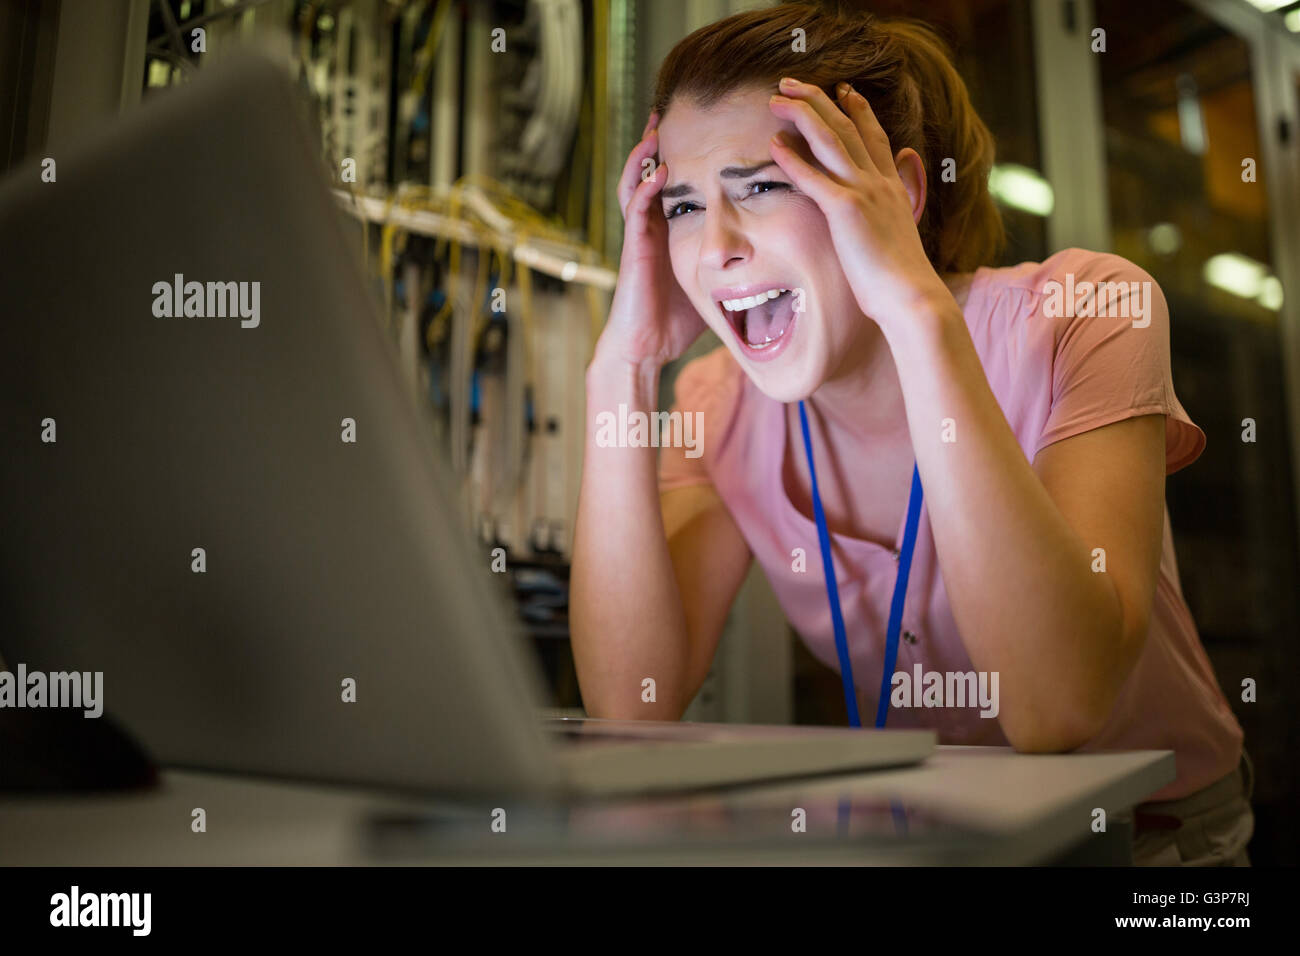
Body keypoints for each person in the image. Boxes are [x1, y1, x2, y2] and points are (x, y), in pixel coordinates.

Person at [569, 2, 1251, 866]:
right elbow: (635, 705)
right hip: (936, 836)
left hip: (1153, 845)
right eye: (683, 206)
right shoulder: (712, 400)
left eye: (764, 186)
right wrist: (622, 367)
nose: (715, 249)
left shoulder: (1085, 310)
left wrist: (914, 307)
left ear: (901, 190)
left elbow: (1054, 705)